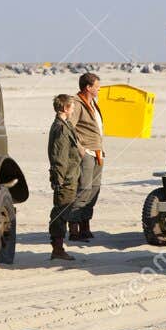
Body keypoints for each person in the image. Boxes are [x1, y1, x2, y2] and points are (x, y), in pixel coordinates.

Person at [65, 72, 104, 241]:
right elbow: (69, 128)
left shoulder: (93, 103)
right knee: (83, 190)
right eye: (97, 86)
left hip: (98, 152)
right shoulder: (77, 103)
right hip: (86, 153)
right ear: (88, 87)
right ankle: (74, 230)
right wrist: (80, 148)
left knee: (94, 190)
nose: (99, 89)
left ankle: (85, 227)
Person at [46, 94, 80, 261]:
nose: (73, 110)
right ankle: (57, 249)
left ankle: (58, 247)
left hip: (69, 176)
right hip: (65, 179)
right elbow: (60, 157)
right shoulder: (60, 128)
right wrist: (60, 181)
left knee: (63, 212)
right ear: (65, 108)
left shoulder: (64, 126)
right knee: (61, 213)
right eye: (72, 107)